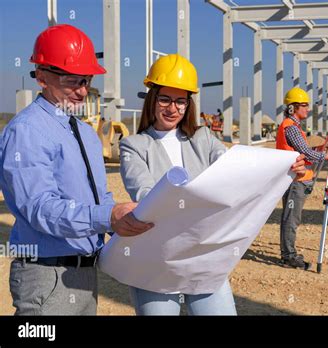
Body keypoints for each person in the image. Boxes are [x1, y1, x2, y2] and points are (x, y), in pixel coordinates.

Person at [119, 54, 307, 315]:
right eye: (165, 99)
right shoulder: (134, 146)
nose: (172, 108)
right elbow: (145, 192)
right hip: (158, 258)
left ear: (189, 104)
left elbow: (238, 167)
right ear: (152, 98)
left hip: (202, 257)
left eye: (180, 101)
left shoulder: (204, 138)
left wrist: (285, 166)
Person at [0, 24, 153, 315]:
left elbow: (99, 197)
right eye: (73, 80)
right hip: (47, 276)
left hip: (83, 272)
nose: (83, 91)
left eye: (87, 80)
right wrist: (107, 216)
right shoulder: (27, 132)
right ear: (42, 77)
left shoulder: (84, 133)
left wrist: (126, 222)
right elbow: (39, 208)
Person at [276, 87, 328, 270]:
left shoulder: (294, 127)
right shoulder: (291, 127)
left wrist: (321, 148)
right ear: (292, 108)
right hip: (295, 181)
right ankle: (288, 257)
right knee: (291, 219)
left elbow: (303, 152)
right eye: (304, 105)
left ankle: (288, 254)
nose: (307, 109)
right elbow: (304, 152)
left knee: (292, 218)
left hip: (298, 179)